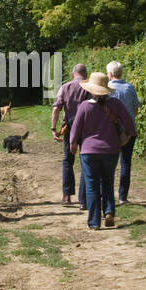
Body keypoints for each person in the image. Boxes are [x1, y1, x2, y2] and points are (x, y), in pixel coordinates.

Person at [68, 72, 136, 230]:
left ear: (91, 89)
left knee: (91, 185)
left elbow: (76, 128)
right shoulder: (116, 104)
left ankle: (94, 222)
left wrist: (72, 143)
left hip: (89, 151)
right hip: (111, 150)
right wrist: (129, 134)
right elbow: (129, 123)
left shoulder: (84, 106)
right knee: (107, 181)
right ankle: (109, 210)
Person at [51, 63, 90, 207]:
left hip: (70, 127)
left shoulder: (65, 87)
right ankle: (84, 199)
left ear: (73, 74)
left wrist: (53, 129)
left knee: (68, 161)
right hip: (87, 128)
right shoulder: (89, 86)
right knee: (85, 161)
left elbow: (56, 109)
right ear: (85, 74)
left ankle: (67, 196)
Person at [105, 61, 142, 205]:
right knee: (126, 162)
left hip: (111, 130)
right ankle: (123, 196)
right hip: (128, 129)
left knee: (109, 163)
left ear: (110, 74)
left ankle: (108, 195)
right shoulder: (130, 88)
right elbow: (135, 109)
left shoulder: (107, 89)